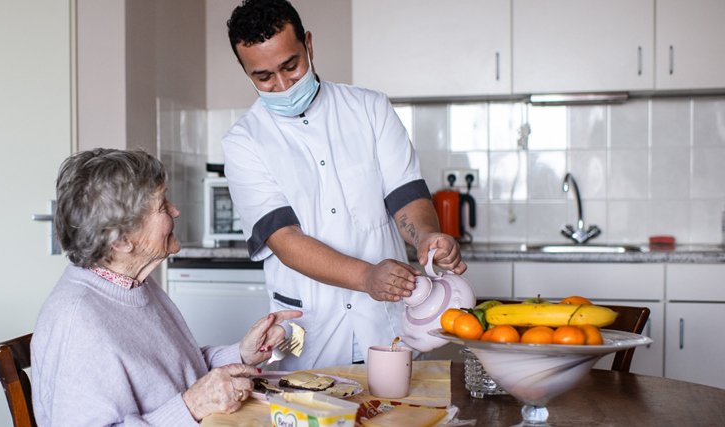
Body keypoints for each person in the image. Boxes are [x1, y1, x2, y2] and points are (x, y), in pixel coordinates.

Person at [221, 0, 466, 370]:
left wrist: (427, 237)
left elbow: (406, 194)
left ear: (308, 44)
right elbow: (284, 240)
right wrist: (367, 276)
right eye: (264, 77)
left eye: (291, 65)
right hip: (306, 335)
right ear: (244, 71)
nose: (283, 85)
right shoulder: (243, 142)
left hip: (385, 328)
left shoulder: (370, 109)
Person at [30, 148, 301, 426]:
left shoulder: (131, 283)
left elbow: (176, 371)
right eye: (162, 205)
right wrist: (192, 406)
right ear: (122, 240)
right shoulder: (78, 324)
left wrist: (241, 353)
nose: (175, 210)